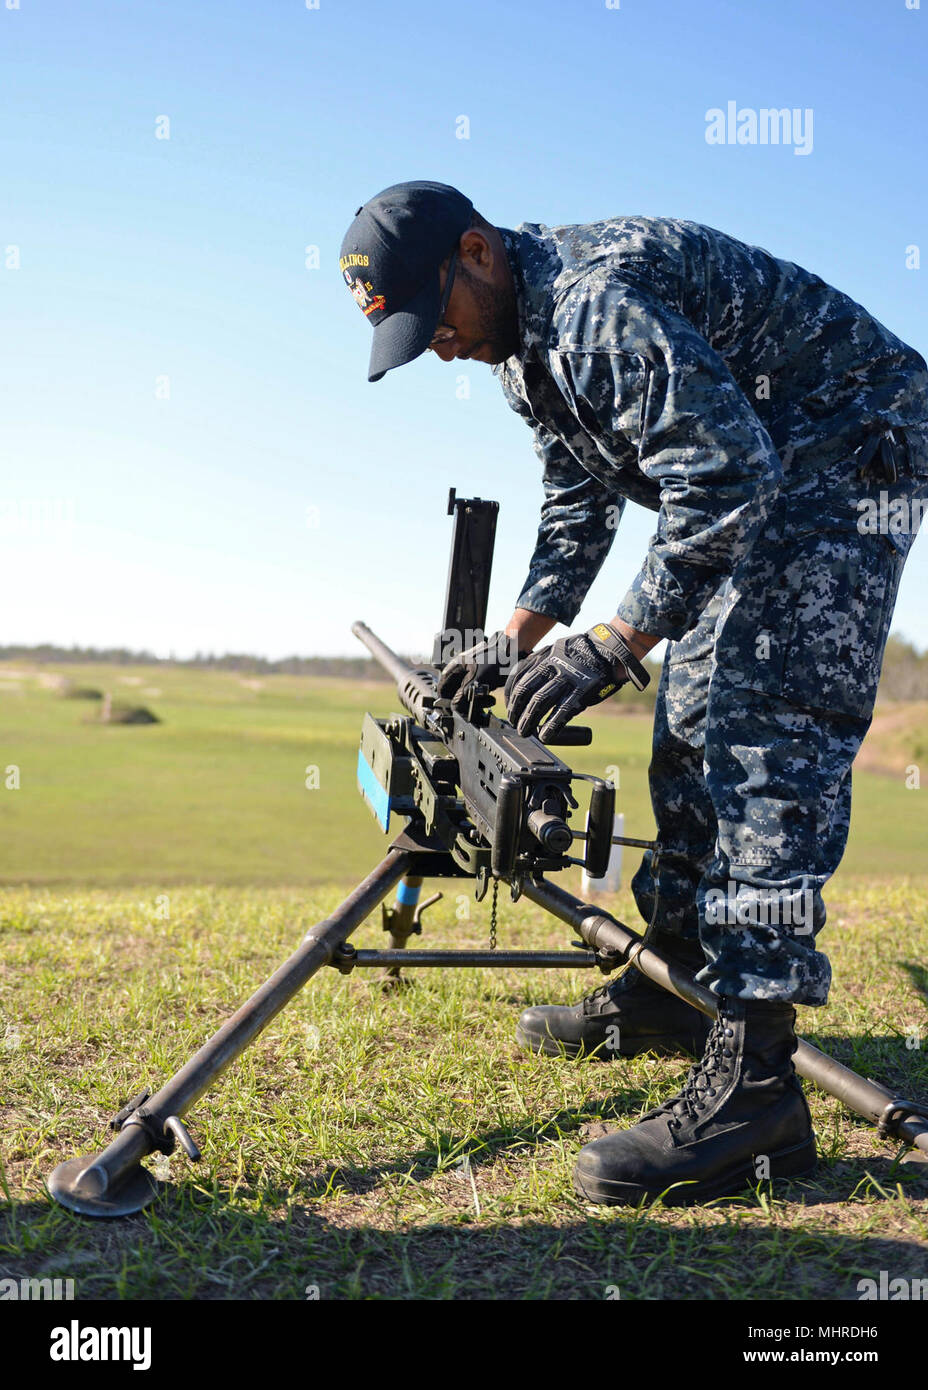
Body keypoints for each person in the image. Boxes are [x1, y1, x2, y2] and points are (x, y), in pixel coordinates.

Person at [339, 180, 928, 1205]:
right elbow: (580, 495)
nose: (436, 345)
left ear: (473, 252)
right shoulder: (523, 347)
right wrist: (512, 639)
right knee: (688, 721)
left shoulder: (593, 304)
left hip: (842, 448)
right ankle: (679, 988)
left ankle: (756, 1094)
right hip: (759, 466)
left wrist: (612, 642)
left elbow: (725, 471)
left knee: (761, 735)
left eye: (434, 321)